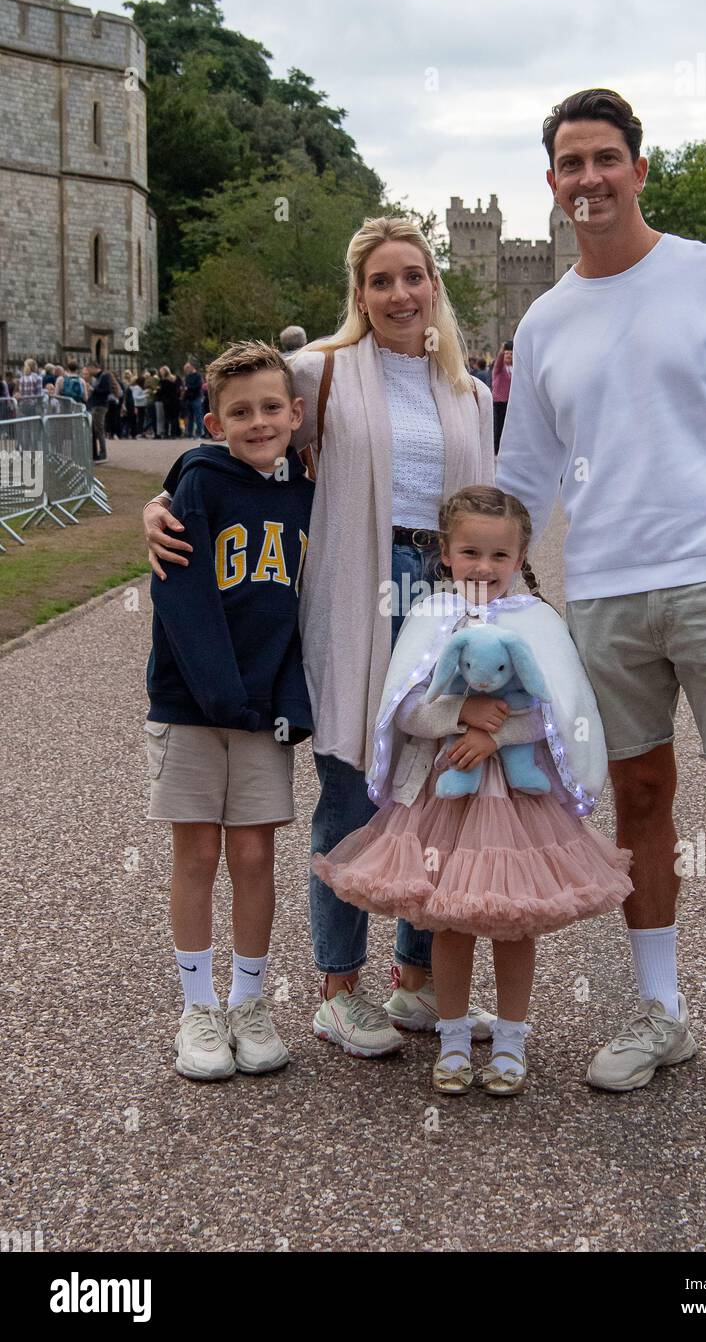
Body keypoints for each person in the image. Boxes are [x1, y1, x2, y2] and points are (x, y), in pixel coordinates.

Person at [498, 87, 706, 1118]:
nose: (586, 178)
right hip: (602, 592)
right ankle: (658, 1009)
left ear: (638, 167)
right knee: (634, 806)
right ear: (549, 186)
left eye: (602, 158)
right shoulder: (544, 321)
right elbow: (521, 472)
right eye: (567, 164)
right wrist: (494, 594)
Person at [144, 216, 497, 1058]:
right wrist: (162, 504)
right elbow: (240, 430)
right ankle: (340, 986)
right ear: (360, 295)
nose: (399, 294)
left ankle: (417, 980)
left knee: (438, 785)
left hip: (441, 594)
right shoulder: (325, 372)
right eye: (380, 282)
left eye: (413, 277)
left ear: (433, 285)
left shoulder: (470, 393)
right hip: (355, 586)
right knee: (353, 786)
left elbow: (484, 507)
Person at [313, 486, 632, 1094]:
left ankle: (511, 1042)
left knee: (516, 921)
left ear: (521, 554)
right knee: (448, 919)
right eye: (470, 553)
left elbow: (560, 710)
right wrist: (461, 716)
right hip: (444, 799)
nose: (483, 568)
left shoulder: (539, 619)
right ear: (445, 552)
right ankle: (454, 1039)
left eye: (497, 555)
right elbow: (406, 707)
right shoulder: (433, 613)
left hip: (520, 804)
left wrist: (496, 733)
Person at [145, 339, 314, 1080]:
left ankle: (250, 1000)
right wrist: (221, 695)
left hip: (261, 713)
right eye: (239, 411)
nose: (258, 421)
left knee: (253, 855)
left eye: (271, 407)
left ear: (296, 413)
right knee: (198, 854)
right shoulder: (199, 484)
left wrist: (288, 704)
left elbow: (308, 610)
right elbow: (181, 597)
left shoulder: (307, 499)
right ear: (213, 422)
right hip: (191, 702)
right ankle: (197, 1007)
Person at [86, 361, 112, 462]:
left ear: (94, 367)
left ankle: (103, 452)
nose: (88, 371)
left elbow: (107, 391)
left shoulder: (104, 376)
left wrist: (94, 390)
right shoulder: (98, 377)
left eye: (89, 369)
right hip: (97, 405)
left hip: (100, 405)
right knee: (96, 429)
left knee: (99, 429)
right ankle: (98, 452)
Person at [491, 341, 513, 453]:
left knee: (507, 426)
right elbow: (499, 360)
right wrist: (502, 349)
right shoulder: (499, 368)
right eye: (507, 354)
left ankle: (505, 447)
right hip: (499, 401)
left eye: (511, 354)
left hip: (508, 402)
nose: (509, 356)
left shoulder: (512, 369)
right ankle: (496, 449)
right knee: (498, 426)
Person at [183, 362, 205, 438]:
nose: (186, 370)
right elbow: (186, 386)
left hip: (196, 398)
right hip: (189, 399)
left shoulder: (198, 376)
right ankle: (190, 433)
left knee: (198, 416)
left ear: (192, 367)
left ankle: (200, 433)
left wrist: (188, 388)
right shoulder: (187, 377)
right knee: (190, 417)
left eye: (187, 368)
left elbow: (198, 386)